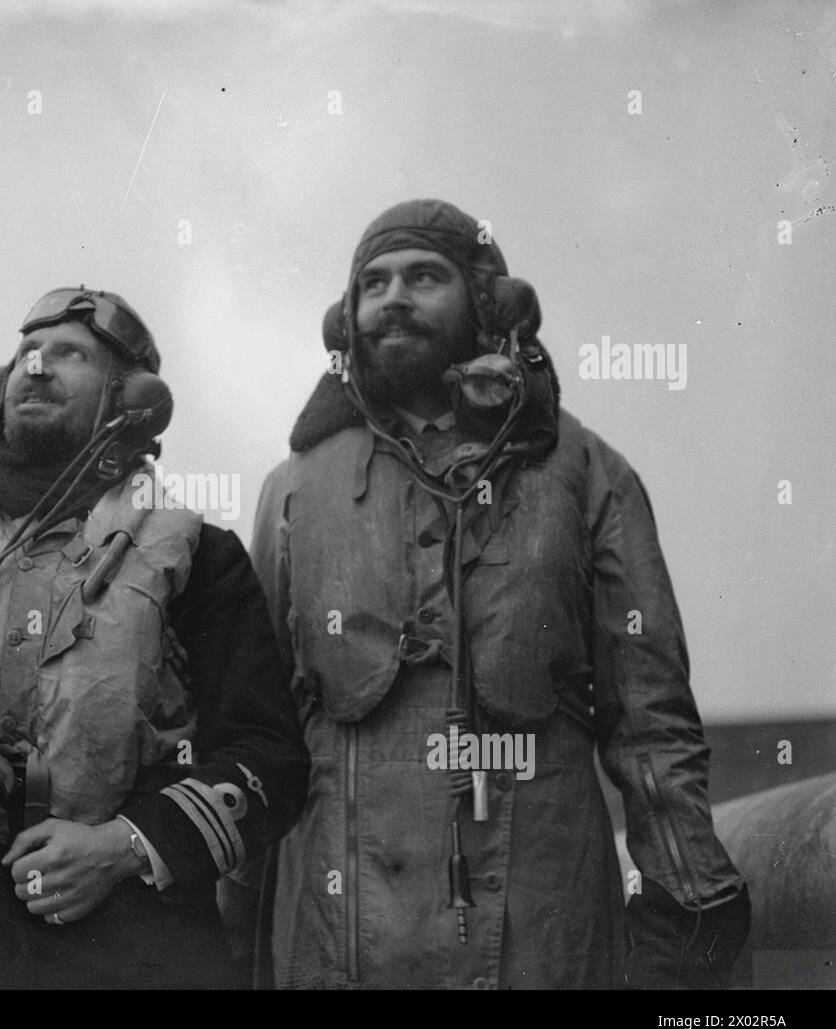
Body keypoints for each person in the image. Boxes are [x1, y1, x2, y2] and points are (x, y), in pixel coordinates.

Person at [248, 199, 750, 989]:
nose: (394, 297)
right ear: (346, 318)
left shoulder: (583, 470)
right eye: (372, 283)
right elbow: (259, 726)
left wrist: (691, 895)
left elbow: (649, 713)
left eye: (424, 275)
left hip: (539, 923)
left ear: (487, 302)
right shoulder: (293, 489)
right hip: (337, 929)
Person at [0, 286, 309, 989]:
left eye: (69, 354)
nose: (37, 367)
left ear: (133, 401)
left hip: (135, 954)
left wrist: (122, 845)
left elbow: (273, 757)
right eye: (24, 354)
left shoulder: (197, 558)